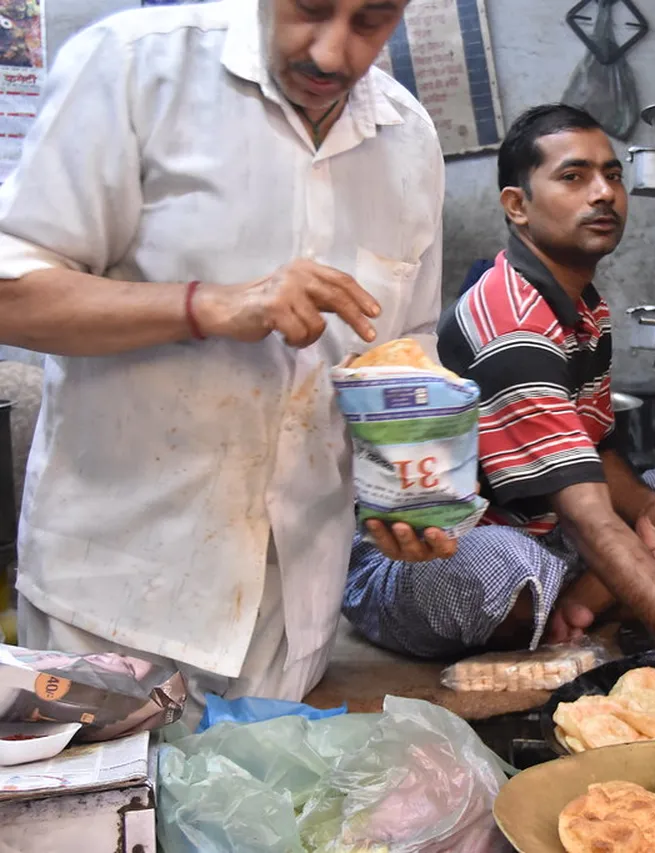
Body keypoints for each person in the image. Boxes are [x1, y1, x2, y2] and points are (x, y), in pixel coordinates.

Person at [0, 0, 445, 719]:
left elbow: (406, 352)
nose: (333, 53)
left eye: (372, 19)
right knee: (106, 824)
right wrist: (206, 305)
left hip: (291, 604)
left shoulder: (408, 140)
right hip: (118, 592)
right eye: (311, 9)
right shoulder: (133, 68)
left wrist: (412, 489)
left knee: (251, 819)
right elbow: (12, 295)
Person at [344, 104, 655, 737]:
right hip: (423, 559)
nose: (604, 192)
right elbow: (584, 511)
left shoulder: (585, 307)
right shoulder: (510, 320)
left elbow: (595, 449)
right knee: (495, 569)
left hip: (549, 531)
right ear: (517, 205)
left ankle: (585, 591)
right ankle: (589, 588)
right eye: (574, 177)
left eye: (612, 175)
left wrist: (647, 505)